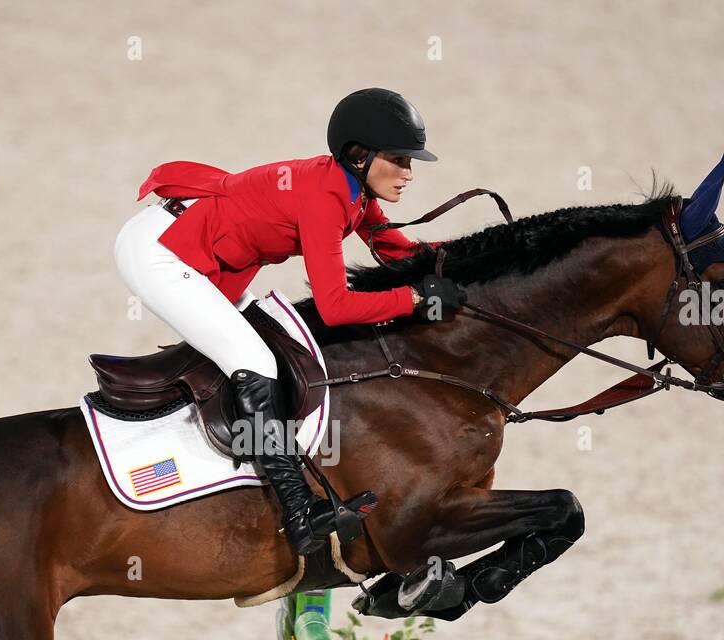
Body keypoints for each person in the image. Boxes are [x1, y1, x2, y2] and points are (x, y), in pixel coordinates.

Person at [114, 88, 468, 555]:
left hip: (202, 250)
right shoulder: (324, 197)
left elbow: (393, 249)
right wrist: (416, 298)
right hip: (162, 251)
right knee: (252, 357)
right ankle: (299, 512)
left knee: (274, 340)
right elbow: (335, 306)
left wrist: (464, 263)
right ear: (360, 156)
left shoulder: (352, 190)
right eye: (400, 160)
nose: (408, 174)